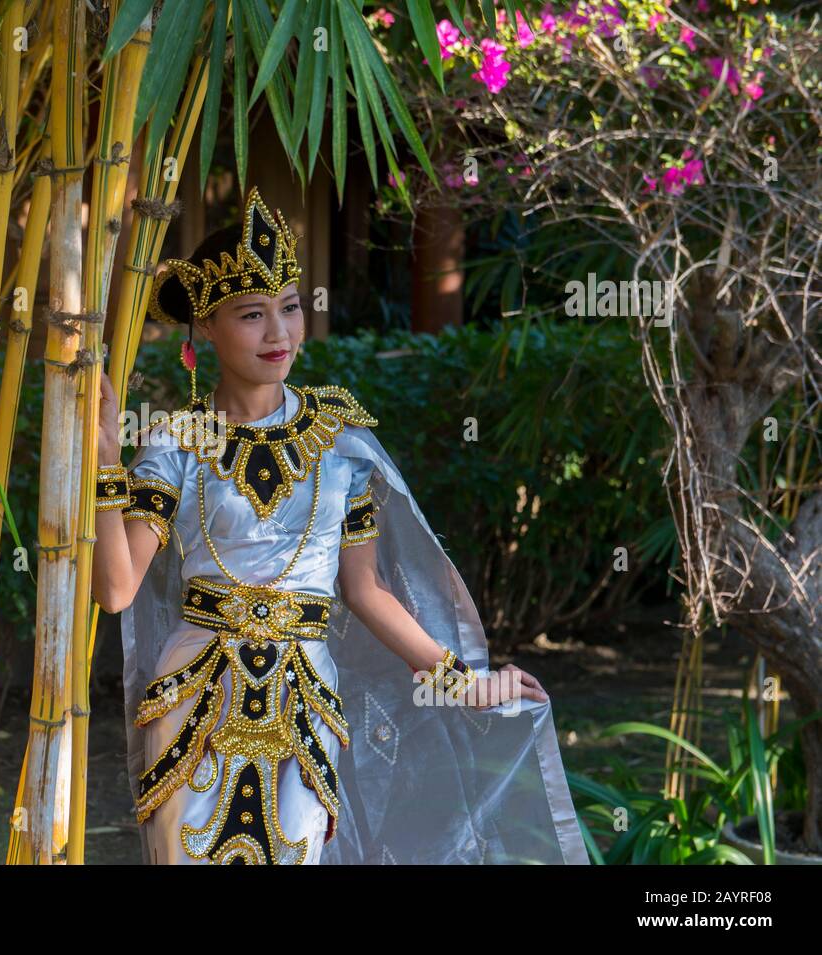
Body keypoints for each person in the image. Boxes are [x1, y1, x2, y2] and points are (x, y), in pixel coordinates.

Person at [91, 186, 588, 865]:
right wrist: (105, 463)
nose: (280, 333)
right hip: (195, 703)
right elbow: (116, 591)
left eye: (291, 307)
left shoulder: (340, 444)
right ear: (204, 326)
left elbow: (367, 591)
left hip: (302, 702)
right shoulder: (175, 444)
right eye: (252, 314)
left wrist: (463, 682)